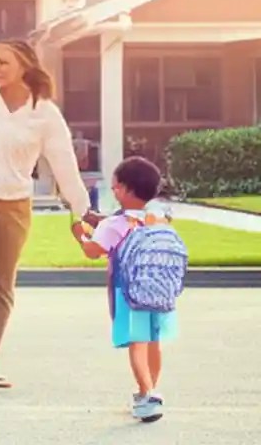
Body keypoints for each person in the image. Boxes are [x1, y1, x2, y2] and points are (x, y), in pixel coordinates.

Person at [0, 38, 94, 388]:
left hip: (15, 203)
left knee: (4, 282)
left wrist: (83, 210)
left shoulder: (45, 113)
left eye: (3, 62)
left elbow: (64, 165)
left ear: (24, 65)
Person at [70, 156, 181, 423]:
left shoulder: (113, 225)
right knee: (154, 342)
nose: (114, 190)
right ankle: (150, 389)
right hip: (158, 290)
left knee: (137, 344)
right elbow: (125, 225)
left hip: (129, 293)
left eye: (116, 186)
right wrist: (99, 221)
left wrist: (80, 234)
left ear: (127, 190)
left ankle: (146, 396)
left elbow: (93, 251)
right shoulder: (157, 218)